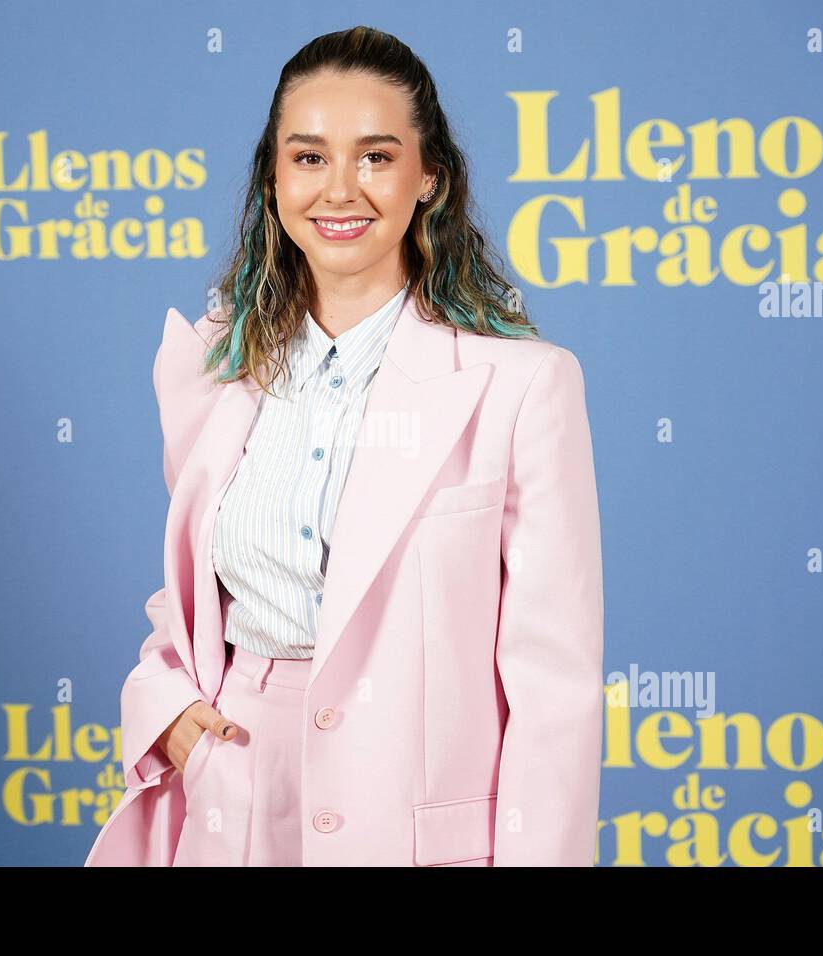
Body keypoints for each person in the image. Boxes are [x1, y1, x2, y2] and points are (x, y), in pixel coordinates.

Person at [85, 25, 603, 867]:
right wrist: (164, 703)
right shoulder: (215, 370)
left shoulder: (523, 386)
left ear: (428, 177)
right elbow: (190, 603)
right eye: (309, 156)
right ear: (275, 177)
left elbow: (555, 692)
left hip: (407, 828)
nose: (341, 190)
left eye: (375, 156)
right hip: (233, 793)